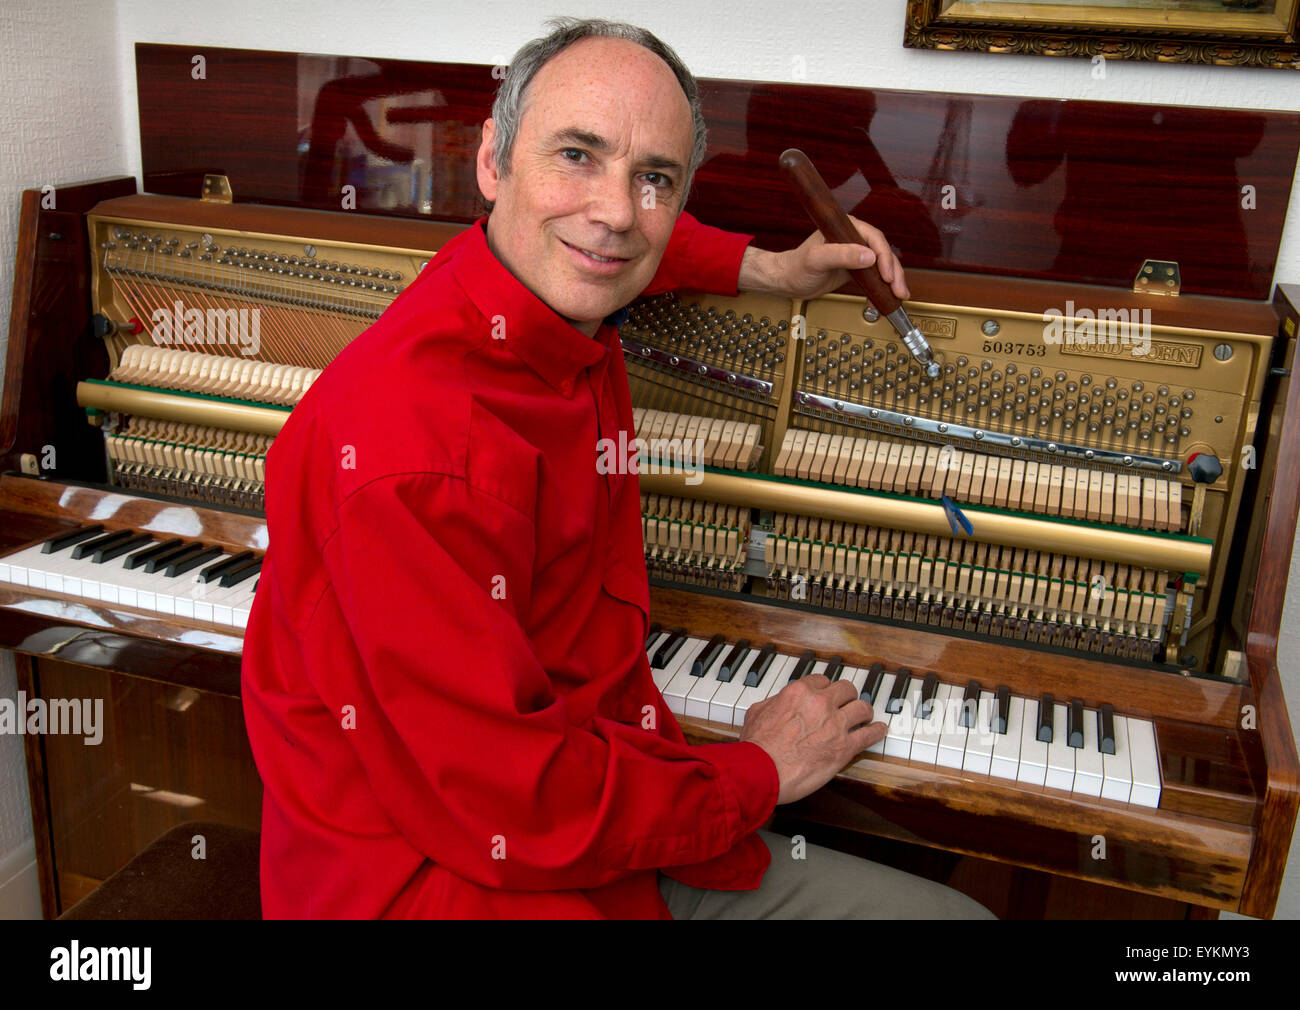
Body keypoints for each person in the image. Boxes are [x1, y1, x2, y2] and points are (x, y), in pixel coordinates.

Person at [241, 16, 994, 920]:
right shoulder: (414, 458)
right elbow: (514, 804)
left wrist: (766, 269)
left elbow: (615, 236)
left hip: (581, 803)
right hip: (458, 884)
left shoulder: (533, 278)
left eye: (655, 179)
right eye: (576, 155)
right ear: (494, 161)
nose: (612, 213)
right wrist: (756, 771)